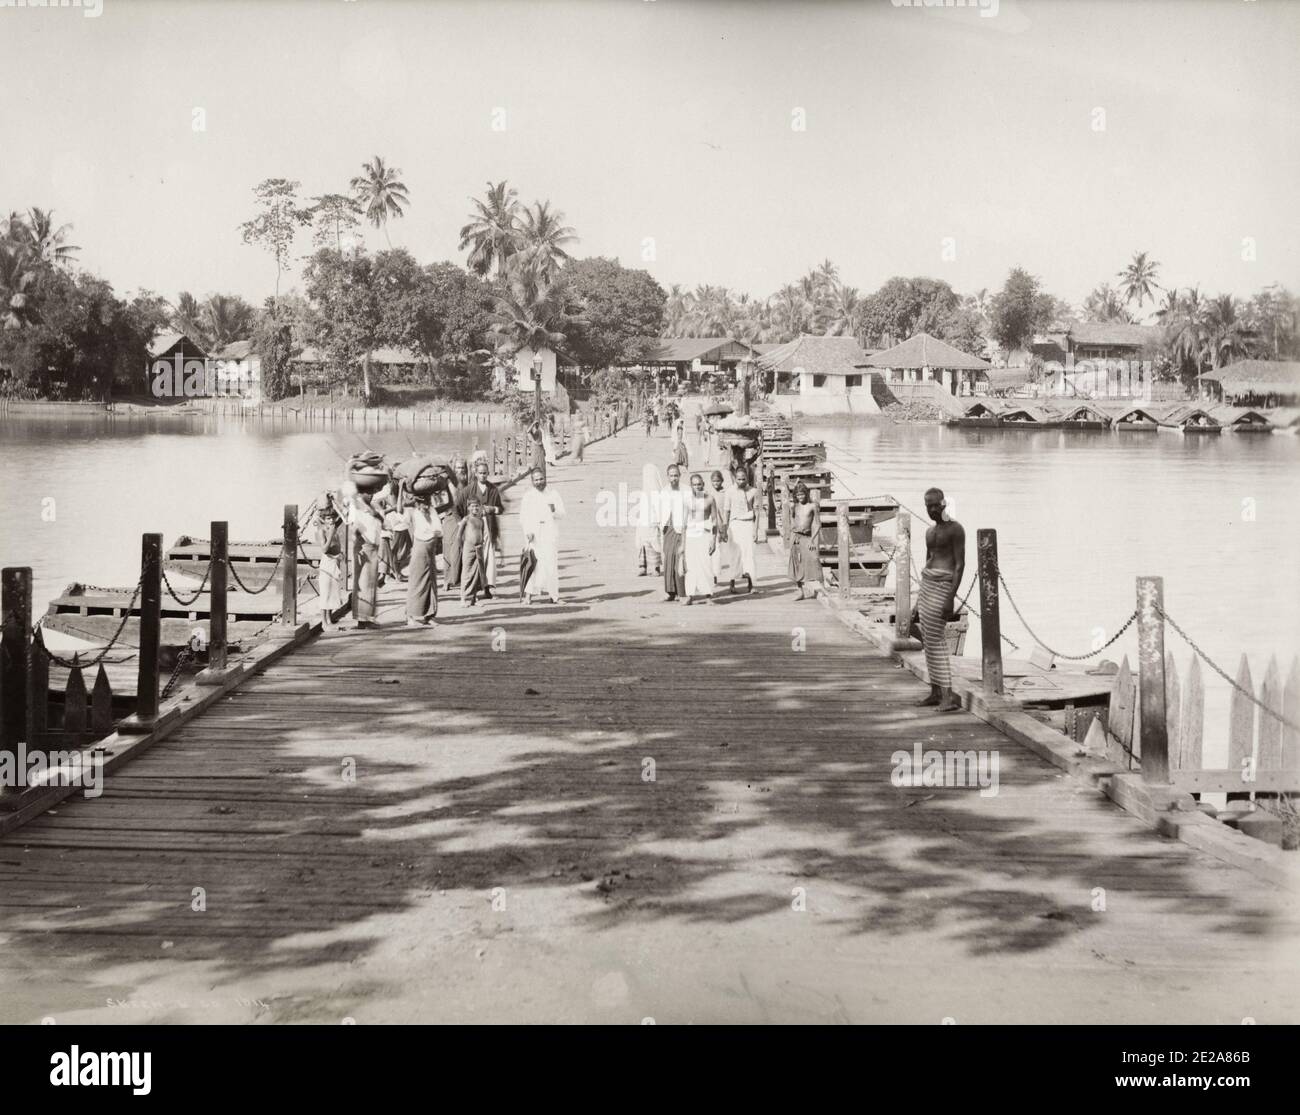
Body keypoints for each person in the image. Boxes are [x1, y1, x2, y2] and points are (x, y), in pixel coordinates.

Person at [915, 487, 965, 713]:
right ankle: (935, 692)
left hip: (943, 586)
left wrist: (950, 597)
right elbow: (928, 561)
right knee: (927, 638)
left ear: (944, 503)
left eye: (935, 504)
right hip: (927, 584)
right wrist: (917, 600)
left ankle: (948, 695)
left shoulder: (956, 529)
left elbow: (959, 564)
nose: (932, 509)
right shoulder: (929, 532)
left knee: (937, 639)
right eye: (928, 505)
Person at [453, 457, 503, 599]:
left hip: (488, 527)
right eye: (480, 473)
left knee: (489, 559)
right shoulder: (468, 490)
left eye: (485, 473)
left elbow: (501, 509)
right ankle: (472, 592)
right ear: (475, 473)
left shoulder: (493, 490)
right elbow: (455, 507)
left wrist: (492, 509)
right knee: (475, 558)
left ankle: (489, 589)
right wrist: (460, 522)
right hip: (473, 528)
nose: (483, 475)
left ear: (488, 473)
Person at [520, 467, 567, 604]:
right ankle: (528, 596)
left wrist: (554, 511)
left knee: (551, 563)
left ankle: (554, 595)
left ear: (545, 478)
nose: (539, 482)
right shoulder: (528, 496)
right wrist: (527, 532)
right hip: (533, 533)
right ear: (532, 481)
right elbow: (523, 517)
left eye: (541, 479)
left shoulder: (553, 494)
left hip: (549, 531)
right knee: (532, 563)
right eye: (536, 480)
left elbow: (562, 514)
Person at [347, 484, 384, 627]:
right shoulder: (355, 506)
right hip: (364, 547)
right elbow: (353, 528)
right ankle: (362, 620)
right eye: (369, 493)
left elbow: (379, 521)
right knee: (363, 583)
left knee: (370, 583)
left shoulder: (371, 506)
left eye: (373, 492)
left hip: (373, 546)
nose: (372, 495)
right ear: (361, 493)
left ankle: (368, 617)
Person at [404, 490, 442, 626]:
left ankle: (429, 615)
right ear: (417, 503)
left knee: (431, 582)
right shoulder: (414, 513)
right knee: (416, 582)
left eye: (427, 501)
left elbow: (438, 529)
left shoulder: (432, 511)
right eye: (422, 502)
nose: (425, 505)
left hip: (431, 550)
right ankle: (410, 616)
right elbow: (400, 514)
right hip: (420, 549)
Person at [683, 473, 718, 605]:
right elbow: (683, 523)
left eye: (699, 484)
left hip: (704, 533)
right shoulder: (687, 500)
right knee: (691, 566)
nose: (697, 486)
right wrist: (682, 543)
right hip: (691, 534)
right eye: (694, 484)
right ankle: (690, 595)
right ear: (691, 486)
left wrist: (713, 540)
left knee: (705, 565)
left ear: (703, 484)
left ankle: (708, 596)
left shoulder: (709, 499)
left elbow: (715, 520)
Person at [723, 467, 759, 594]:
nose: (741, 481)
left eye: (744, 479)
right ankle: (732, 583)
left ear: (747, 478)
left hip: (748, 524)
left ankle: (751, 584)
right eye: (739, 479)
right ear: (734, 478)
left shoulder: (753, 491)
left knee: (749, 555)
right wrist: (725, 527)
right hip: (735, 525)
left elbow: (757, 512)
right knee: (734, 554)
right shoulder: (729, 492)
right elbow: (726, 510)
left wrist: (755, 530)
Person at [314, 496, 346, 631]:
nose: (331, 520)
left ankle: (329, 620)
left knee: (333, 593)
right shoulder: (322, 531)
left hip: (335, 564)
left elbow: (342, 514)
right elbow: (324, 549)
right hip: (326, 565)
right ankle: (323, 622)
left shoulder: (335, 527)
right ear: (323, 520)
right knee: (325, 593)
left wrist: (333, 500)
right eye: (328, 518)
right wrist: (331, 533)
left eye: (332, 518)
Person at [659, 463, 689, 602]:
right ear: (667, 477)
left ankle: (681, 592)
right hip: (667, 528)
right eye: (671, 476)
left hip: (681, 528)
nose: (674, 478)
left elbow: (691, 509)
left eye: (676, 475)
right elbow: (659, 510)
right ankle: (670, 591)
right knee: (668, 559)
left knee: (680, 559)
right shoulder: (664, 491)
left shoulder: (686, 490)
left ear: (680, 476)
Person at [788, 481, 822, 601]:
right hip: (796, 537)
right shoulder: (795, 506)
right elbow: (792, 517)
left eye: (802, 494)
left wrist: (812, 540)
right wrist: (793, 530)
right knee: (796, 564)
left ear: (806, 494)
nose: (800, 497)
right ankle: (800, 591)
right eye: (798, 495)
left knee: (814, 559)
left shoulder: (812, 506)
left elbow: (818, 524)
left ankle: (821, 588)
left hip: (807, 537)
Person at [441, 457, 470, 592]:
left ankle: (458, 578)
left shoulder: (467, 483)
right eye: (458, 468)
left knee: (462, 549)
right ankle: (447, 580)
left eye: (462, 468)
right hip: (451, 518)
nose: (460, 470)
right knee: (449, 549)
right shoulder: (449, 483)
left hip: (464, 517)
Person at [635, 462, 663, 577]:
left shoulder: (659, 492)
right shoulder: (644, 491)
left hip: (654, 521)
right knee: (643, 543)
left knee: (654, 542)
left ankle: (656, 567)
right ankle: (643, 566)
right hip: (643, 522)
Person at [459, 497, 487, 606]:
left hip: (479, 548)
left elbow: (482, 532)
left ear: (480, 507)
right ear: (468, 508)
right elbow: (459, 535)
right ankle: (463, 598)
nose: (475, 508)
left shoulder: (481, 520)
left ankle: (473, 599)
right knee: (466, 573)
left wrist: (482, 543)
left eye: (477, 506)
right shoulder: (466, 519)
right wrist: (462, 548)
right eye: (472, 506)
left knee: (477, 573)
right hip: (468, 548)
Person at [708, 470, 733, 585]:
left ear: (722, 481)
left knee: (729, 554)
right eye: (714, 481)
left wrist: (725, 526)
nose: (716, 483)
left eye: (718, 481)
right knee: (715, 553)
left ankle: (732, 581)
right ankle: (714, 578)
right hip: (714, 526)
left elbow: (727, 510)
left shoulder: (726, 493)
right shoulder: (709, 493)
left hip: (725, 525)